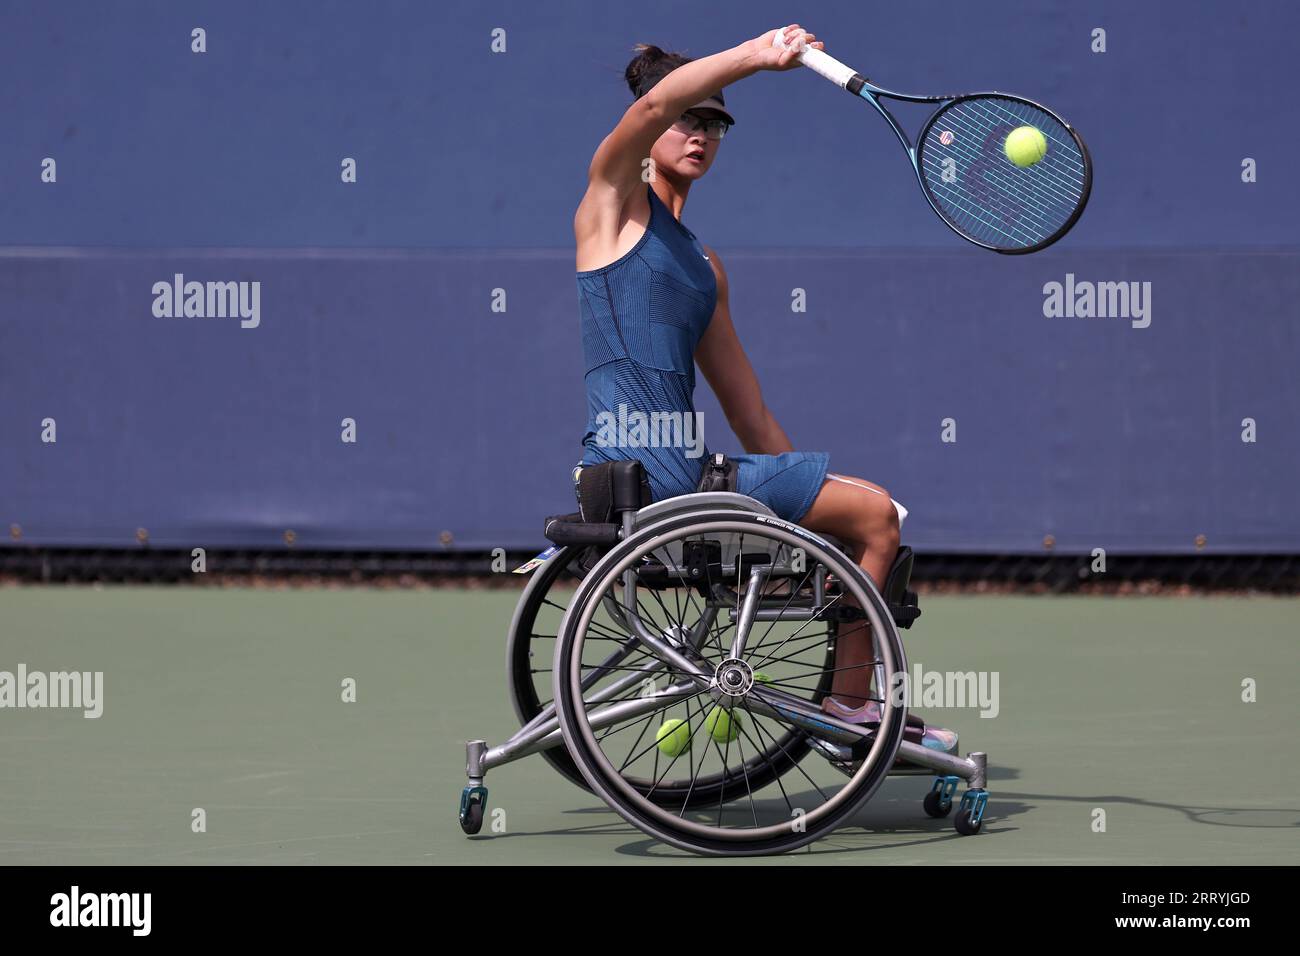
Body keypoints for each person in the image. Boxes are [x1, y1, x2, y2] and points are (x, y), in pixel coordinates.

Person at [573, 25, 956, 755]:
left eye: (716, 124)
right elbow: (649, 113)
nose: (702, 134)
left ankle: (848, 700)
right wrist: (757, 55)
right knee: (878, 519)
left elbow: (749, 413)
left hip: (689, 481)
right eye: (691, 118)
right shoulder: (609, 209)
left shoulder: (703, 266)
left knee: (859, 519)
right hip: (639, 481)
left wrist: (808, 516)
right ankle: (849, 708)